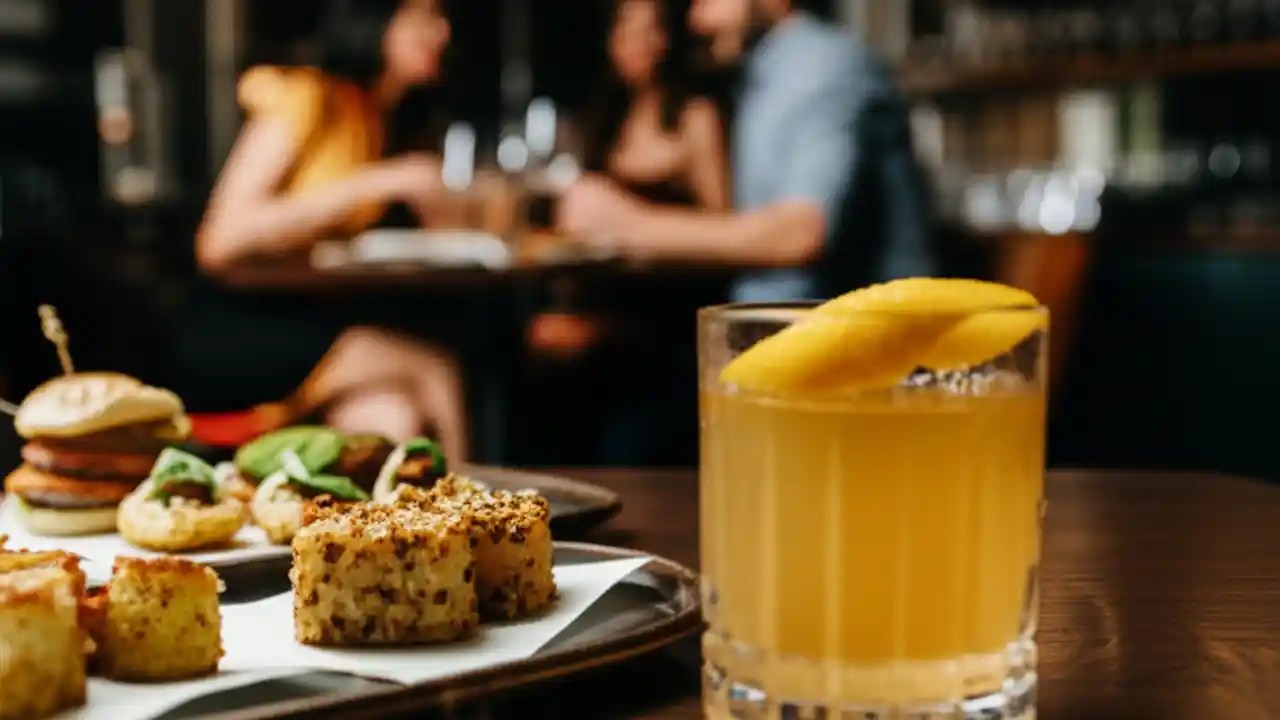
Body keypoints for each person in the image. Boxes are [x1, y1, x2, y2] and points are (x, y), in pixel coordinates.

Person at [181, 0, 468, 459]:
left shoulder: (377, 117)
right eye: (422, 17)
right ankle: (475, 518)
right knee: (436, 369)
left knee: (393, 415)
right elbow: (220, 241)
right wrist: (380, 180)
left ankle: (381, 527)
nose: (442, 33)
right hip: (237, 327)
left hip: (310, 320)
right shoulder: (309, 95)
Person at [559, 0, 936, 302]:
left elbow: (800, 234)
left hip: (870, 346)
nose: (698, 20)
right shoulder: (761, 77)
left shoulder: (820, 67)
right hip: (795, 335)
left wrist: (628, 227)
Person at [583, 0, 728, 210]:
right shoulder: (610, 115)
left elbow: (720, 219)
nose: (635, 44)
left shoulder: (695, 115)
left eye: (647, 31)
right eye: (625, 30)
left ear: (668, 39)